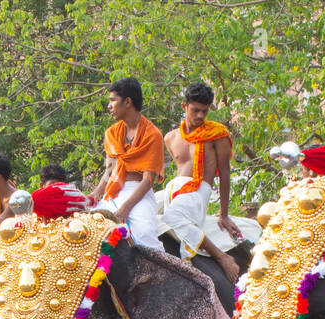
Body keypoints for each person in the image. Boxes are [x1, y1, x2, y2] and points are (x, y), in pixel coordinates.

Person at [160, 82, 245, 282]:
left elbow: (224, 173)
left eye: (204, 112)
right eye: (195, 110)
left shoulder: (217, 135)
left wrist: (223, 214)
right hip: (174, 188)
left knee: (171, 217)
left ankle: (222, 257)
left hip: (198, 190)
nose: (200, 116)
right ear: (184, 106)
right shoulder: (170, 137)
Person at [91, 78, 166, 251]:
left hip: (138, 193)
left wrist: (125, 209)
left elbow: (148, 181)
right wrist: (95, 194)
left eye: (113, 100)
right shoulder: (112, 133)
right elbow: (110, 171)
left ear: (127, 102)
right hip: (113, 192)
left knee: (145, 237)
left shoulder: (153, 134)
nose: (109, 106)